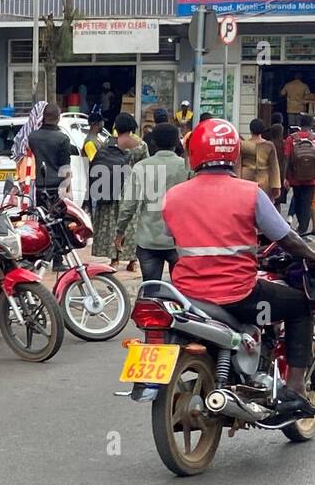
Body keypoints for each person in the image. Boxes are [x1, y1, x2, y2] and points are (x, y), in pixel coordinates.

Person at [163, 118, 315, 421]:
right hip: (238, 294)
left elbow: (178, 238)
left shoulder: (174, 196)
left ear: (193, 154)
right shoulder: (249, 192)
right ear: (233, 153)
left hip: (187, 294)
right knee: (300, 307)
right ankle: (296, 391)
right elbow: (286, 237)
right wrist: (311, 256)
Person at [113, 122, 189, 283]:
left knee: (150, 288)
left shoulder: (141, 167)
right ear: (177, 142)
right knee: (182, 289)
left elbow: (129, 205)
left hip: (149, 239)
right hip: (179, 240)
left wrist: (120, 232)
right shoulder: (187, 168)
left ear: (153, 142)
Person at [89, 112, 144, 263]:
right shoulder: (140, 145)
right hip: (131, 188)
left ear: (116, 127)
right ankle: (132, 260)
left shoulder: (108, 142)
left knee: (112, 223)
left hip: (110, 186)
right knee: (130, 224)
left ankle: (114, 259)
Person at [27, 103, 74, 205]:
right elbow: (66, 168)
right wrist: (69, 190)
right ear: (58, 118)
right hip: (58, 188)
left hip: (40, 188)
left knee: (42, 219)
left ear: (44, 117)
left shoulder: (32, 137)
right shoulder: (62, 139)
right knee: (58, 220)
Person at [283, 113, 315, 232]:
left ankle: (301, 228)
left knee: (297, 201)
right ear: (311, 124)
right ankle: (302, 229)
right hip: (311, 178)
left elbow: (286, 159)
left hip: (295, 177)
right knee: (307, 204)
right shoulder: (314, 138)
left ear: (300, 124)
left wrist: (285, 177)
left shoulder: (291, 138)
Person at [240, 118, 282, 199]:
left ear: (250, 130)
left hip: (246, 179)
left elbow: (238, 165)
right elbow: (274, 167)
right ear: (263, 130)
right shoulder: (269, 145)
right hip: (264, 180)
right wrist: (276, 186)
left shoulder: (243, 145)